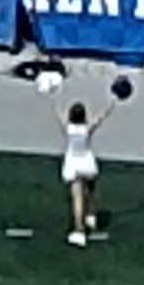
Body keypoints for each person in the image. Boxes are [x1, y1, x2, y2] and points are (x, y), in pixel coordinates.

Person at [60, 99, 101, 247]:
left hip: (74, 164)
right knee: (91, 190)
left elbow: (58, 113)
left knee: (77, 199)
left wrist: (52, 95)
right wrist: (114, 102)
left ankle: (79, 230)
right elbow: (101, 117)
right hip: (87, 163)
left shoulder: (68, 129)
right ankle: (91, 215)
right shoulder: (87, 129)